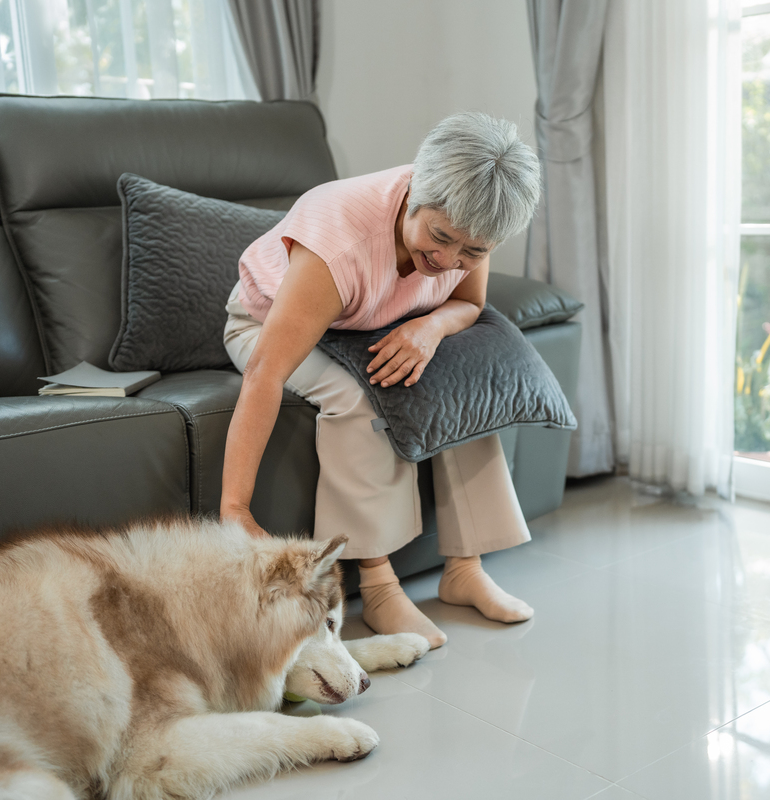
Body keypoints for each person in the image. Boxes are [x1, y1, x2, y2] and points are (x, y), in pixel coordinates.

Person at [220, 112, 543, 649]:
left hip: (371, 320)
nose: (448, 261)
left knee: (459, 379)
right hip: (267, 325)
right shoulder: (338, 239)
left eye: (473, 252)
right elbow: (265, 372)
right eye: (439, 239)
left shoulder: (472, 219)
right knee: (359, 397)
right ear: (415, 188)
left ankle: (464, 570)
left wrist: (430, 326)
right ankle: (378, 586)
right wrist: (235, 508)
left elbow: (467, 303)